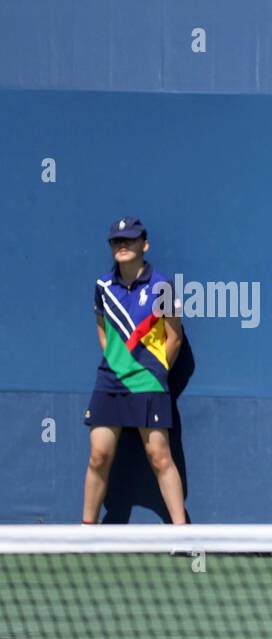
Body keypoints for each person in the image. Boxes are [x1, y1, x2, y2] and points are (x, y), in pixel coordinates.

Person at [82, 217, 187, 525]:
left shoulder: (162, 286)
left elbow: (175, 337)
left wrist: (154, 371)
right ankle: (85, 533)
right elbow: (103, 332)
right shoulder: (103, 287)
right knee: (98, 456)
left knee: (159, 456)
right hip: (109, 381)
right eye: (117, 241)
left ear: (145, 244)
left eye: (129, 240)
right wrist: (118, 363)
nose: (122, 246)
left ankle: (182, 533)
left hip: (148, 382)